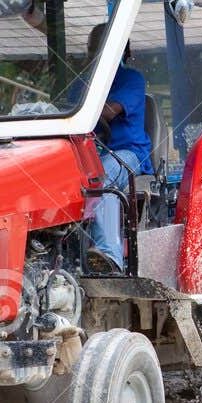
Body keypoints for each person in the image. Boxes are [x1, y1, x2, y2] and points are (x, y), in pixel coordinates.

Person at [81, 23, 152, 271]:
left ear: (121, 50)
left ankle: (109, 257)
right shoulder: (83, 83)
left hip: (127, 154)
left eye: (103, 48)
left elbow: (109, 113)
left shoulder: (131, 79)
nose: (97, 53)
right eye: (94, 48)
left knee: (103, 177)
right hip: (89, 154)